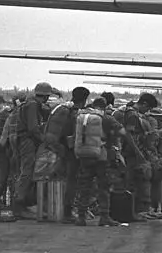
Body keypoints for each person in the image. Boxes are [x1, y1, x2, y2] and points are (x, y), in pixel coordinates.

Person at [72, 97, 125, 226]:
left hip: (84, 155)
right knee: (103, 186)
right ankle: (104, 216)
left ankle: (81, 217)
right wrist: (112, 135)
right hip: (101, 156)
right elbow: (122, 132)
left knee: (85, 186)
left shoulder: (81, 117)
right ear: (105, 106)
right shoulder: (106, 118)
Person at [11, 82, 59, 218]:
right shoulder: (32, 105)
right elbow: (33, 128)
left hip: (25, 139)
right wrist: (44, 139)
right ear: (45, 96)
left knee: (28, 171)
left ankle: (23, 203)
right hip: (27, 140)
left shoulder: (31, 103)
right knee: (27, 171)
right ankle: (19, 206)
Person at [43, 86, 90, 220]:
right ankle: (66, 213)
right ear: (84, 99)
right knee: (70, 180)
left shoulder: (61, 108)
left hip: (56, 149)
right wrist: (62, 151)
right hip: (64, 151)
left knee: (56, 179)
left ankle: (52, 209)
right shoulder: (69, 111)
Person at [113, 93, 157, 221]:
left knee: (132, 182)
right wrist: (138, 152)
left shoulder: (128, 111)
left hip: (128, 152)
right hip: (130, 153)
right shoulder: (132, 115)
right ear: (144, 104)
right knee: (132, 183)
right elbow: (129, 135)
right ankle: (131, 213)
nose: (147, 112)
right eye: (147, 108)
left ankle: (132, 212)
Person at [0, 94, 24, 205]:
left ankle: (10, 202)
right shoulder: (20, 113)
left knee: (12, 176)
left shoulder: (10, 114)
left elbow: (4, 135)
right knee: (17, 174)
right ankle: (16, 203)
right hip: (16, 148)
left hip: (9, 148)